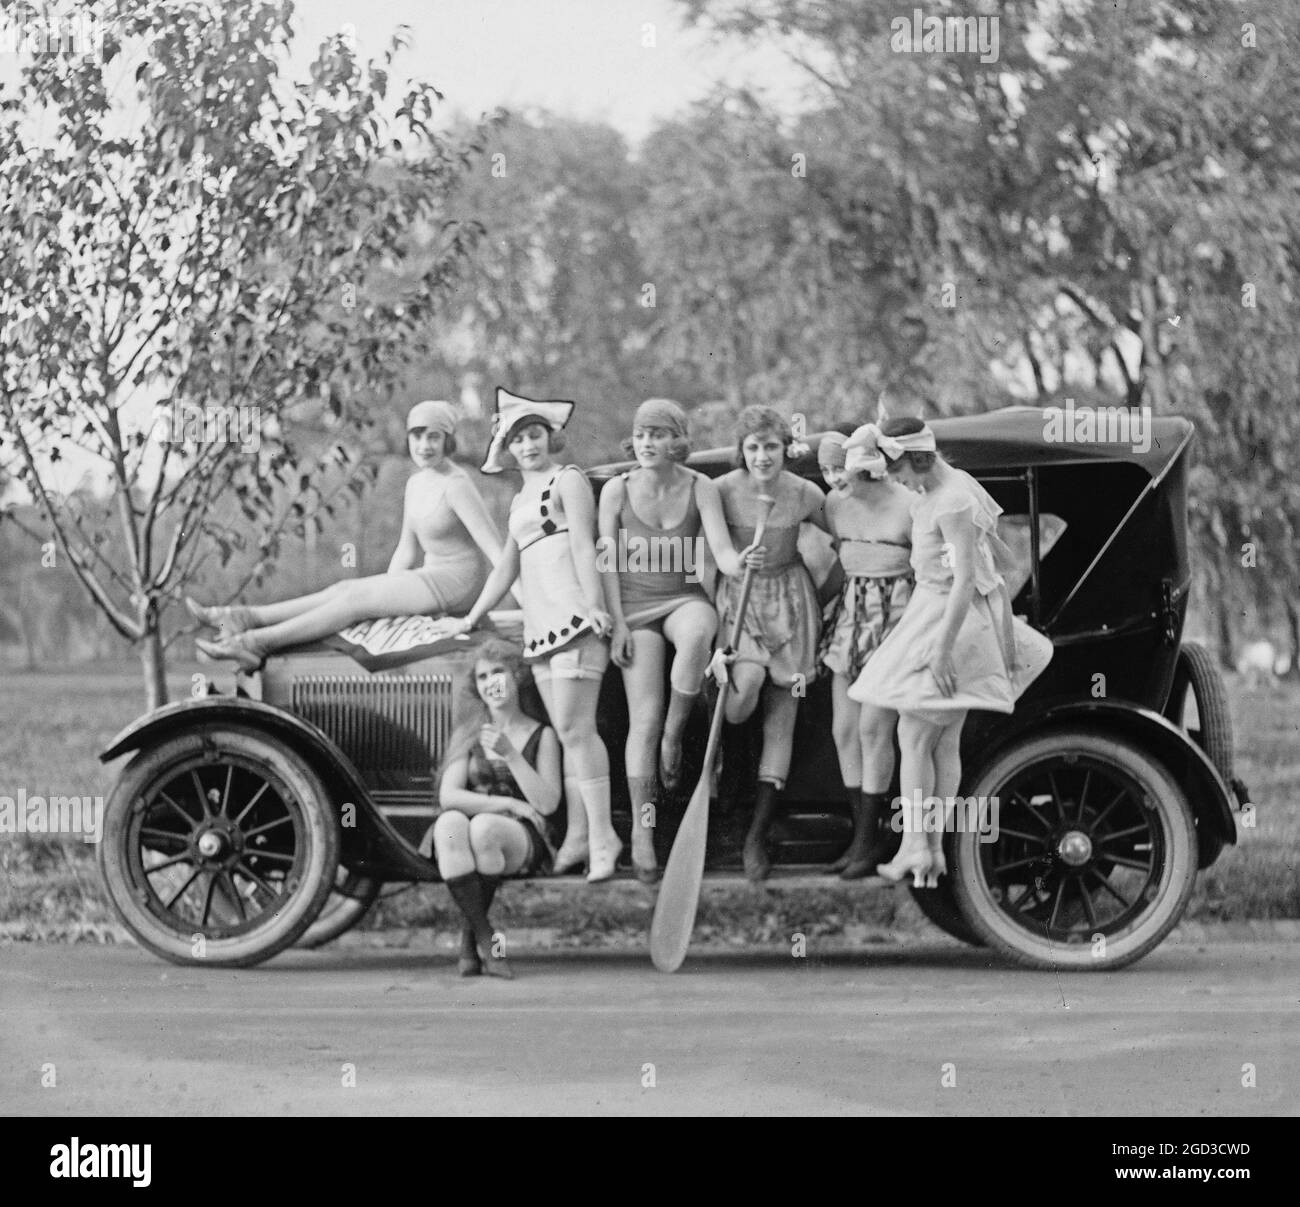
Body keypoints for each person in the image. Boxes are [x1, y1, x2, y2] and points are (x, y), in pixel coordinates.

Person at [848, 416, 1053, 886]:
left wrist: (942, 651)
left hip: (951, 622)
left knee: (914, 734)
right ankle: (932, 850)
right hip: (936, 611)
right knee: (941, 740)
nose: (891, 480)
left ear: (915, 460)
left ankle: (916, 845)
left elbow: (966, 580)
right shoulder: (944, 490)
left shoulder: (954, 500)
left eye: (894, 470)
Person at [438, 391, 622, 882]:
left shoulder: (569, 480)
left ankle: (605, 836)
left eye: (535, 434)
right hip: (541, 629)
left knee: (577, 728)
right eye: (517, 438)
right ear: (509, 448)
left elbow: (585, 546)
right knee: (565, 733)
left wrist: (596, 606)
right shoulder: (520, 500)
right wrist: (472, 615)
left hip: (578, 618)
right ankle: (579, 835)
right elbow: (505, 568)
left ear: (549, 438)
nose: (528, 445)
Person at [189, 401, 502, 671]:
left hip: (459, 583)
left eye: (434, 437)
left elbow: (498, 556)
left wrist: (471, 620)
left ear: (448, 442)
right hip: (431, 576)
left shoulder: (458, 484)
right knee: (345, 588)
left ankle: (255, 643)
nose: (424, 446)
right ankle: (243, 618)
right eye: (417, 436)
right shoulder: (416, 483)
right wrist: (386, 598)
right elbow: (406, 550)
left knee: (353, 600)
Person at [598, 399, 762, 882]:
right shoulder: (616, 491)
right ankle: (642, 835)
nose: (647, 443)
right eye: (641, 433)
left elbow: (723, 553)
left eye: (659, 434)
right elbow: (605, 562)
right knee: (640, 722)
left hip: (683, 599)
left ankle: (676, 737)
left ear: (677, 441)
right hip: (633, 609)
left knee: (696, 634)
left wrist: (742, 562)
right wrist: (619, 624)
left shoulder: (701, 488)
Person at [712, 405, 830, 881]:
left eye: (772, 446)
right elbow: (708, 552)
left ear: (786, 449)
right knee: (741, 699)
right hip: (739, 601)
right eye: (753, 447)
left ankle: (757, 833)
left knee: (783, 720)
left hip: (791, 603)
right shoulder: (720, 491)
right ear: (741, 452)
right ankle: (727, 800)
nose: (763, 456)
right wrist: (734, 565)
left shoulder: (805, 493)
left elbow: (850, 536)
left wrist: (832, 596)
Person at [430, 638, 562, 979]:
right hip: (474, 834)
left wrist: (511, 754)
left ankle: (469, 943)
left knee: (484, 827)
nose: (491, 683)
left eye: (498, 672)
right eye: (483, 677)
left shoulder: (541, 734)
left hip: (522, 836)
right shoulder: (470, 733)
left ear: (516, 676)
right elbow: (450, 795)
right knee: (449, 824)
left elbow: (547, 803)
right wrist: (506, 802)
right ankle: (484, 940)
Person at [817, 426, 915, 878]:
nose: (834, 478)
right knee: (844, 729)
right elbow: (843, 562)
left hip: (897, 614)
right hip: (853, 613)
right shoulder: (834, 504)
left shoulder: (907, 502)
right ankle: (864, 834)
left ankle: (869, 842)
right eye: (826, 469)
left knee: (876, 729)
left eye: (841, 468)